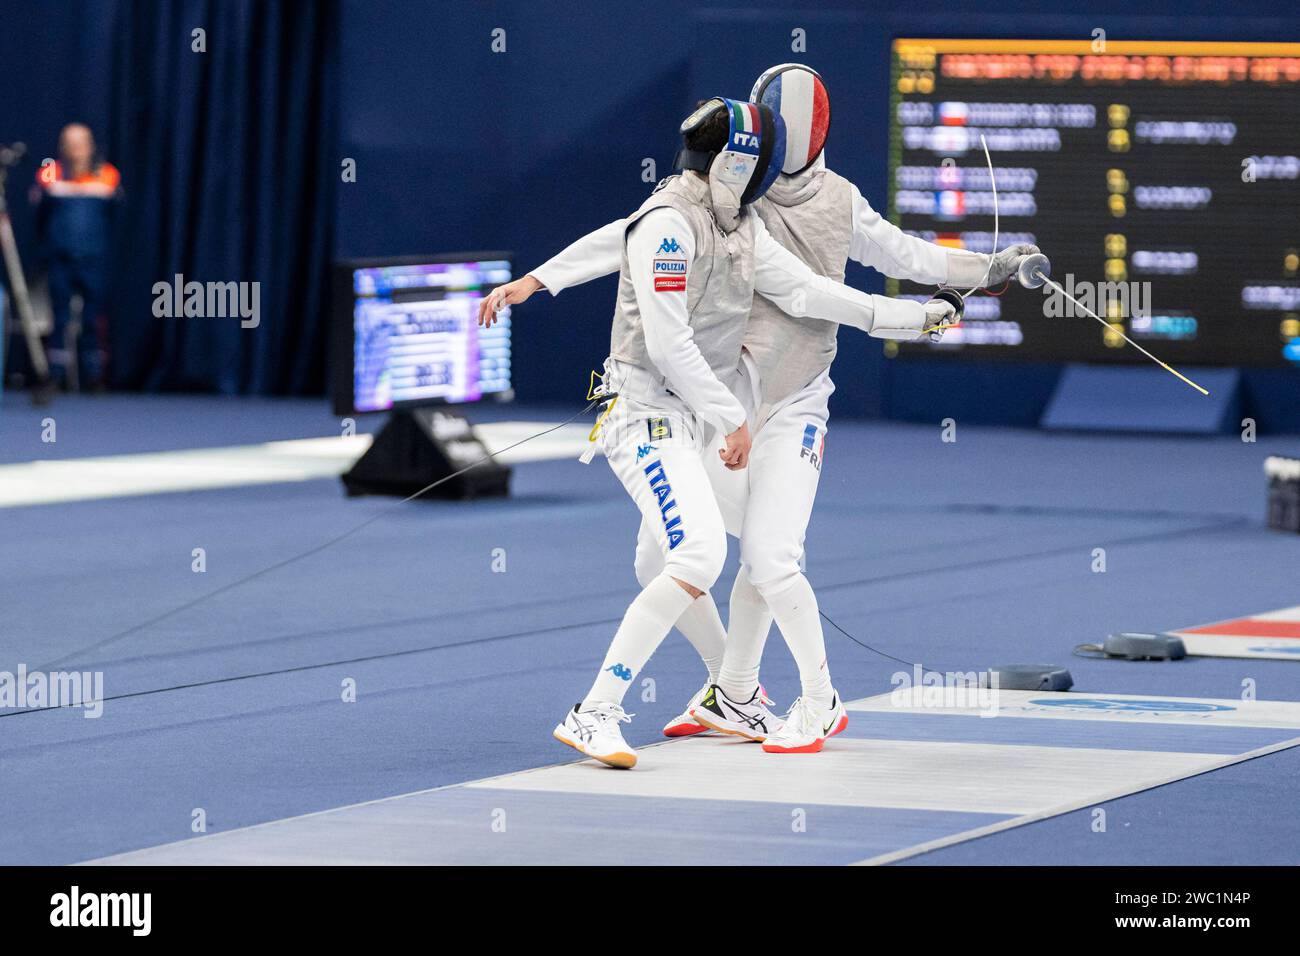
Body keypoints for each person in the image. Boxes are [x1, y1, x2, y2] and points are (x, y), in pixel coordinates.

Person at [481, 66, 1041, 755]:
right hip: (701, 403)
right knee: (674, 555)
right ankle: (718, 690)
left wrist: (948, 296)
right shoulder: (687, 216)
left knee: (746, 555)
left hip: (773, 401)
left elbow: (823, 291)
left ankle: (756, 695)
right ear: (734, 166)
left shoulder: (754, 219)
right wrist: (544, 279)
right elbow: (641, 255)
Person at [33, 123, 121, 390]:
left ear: (91, 145)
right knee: (59, 319)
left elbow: (114, 217)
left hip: (94, 260)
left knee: (93, 318)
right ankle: (55, 375)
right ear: (62, 147)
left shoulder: (107, 175)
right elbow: (40, 216)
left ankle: (95, 376)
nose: (75, 150)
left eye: (81, 143)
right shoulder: (50, 175)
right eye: (69, 143)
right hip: (60, 260)